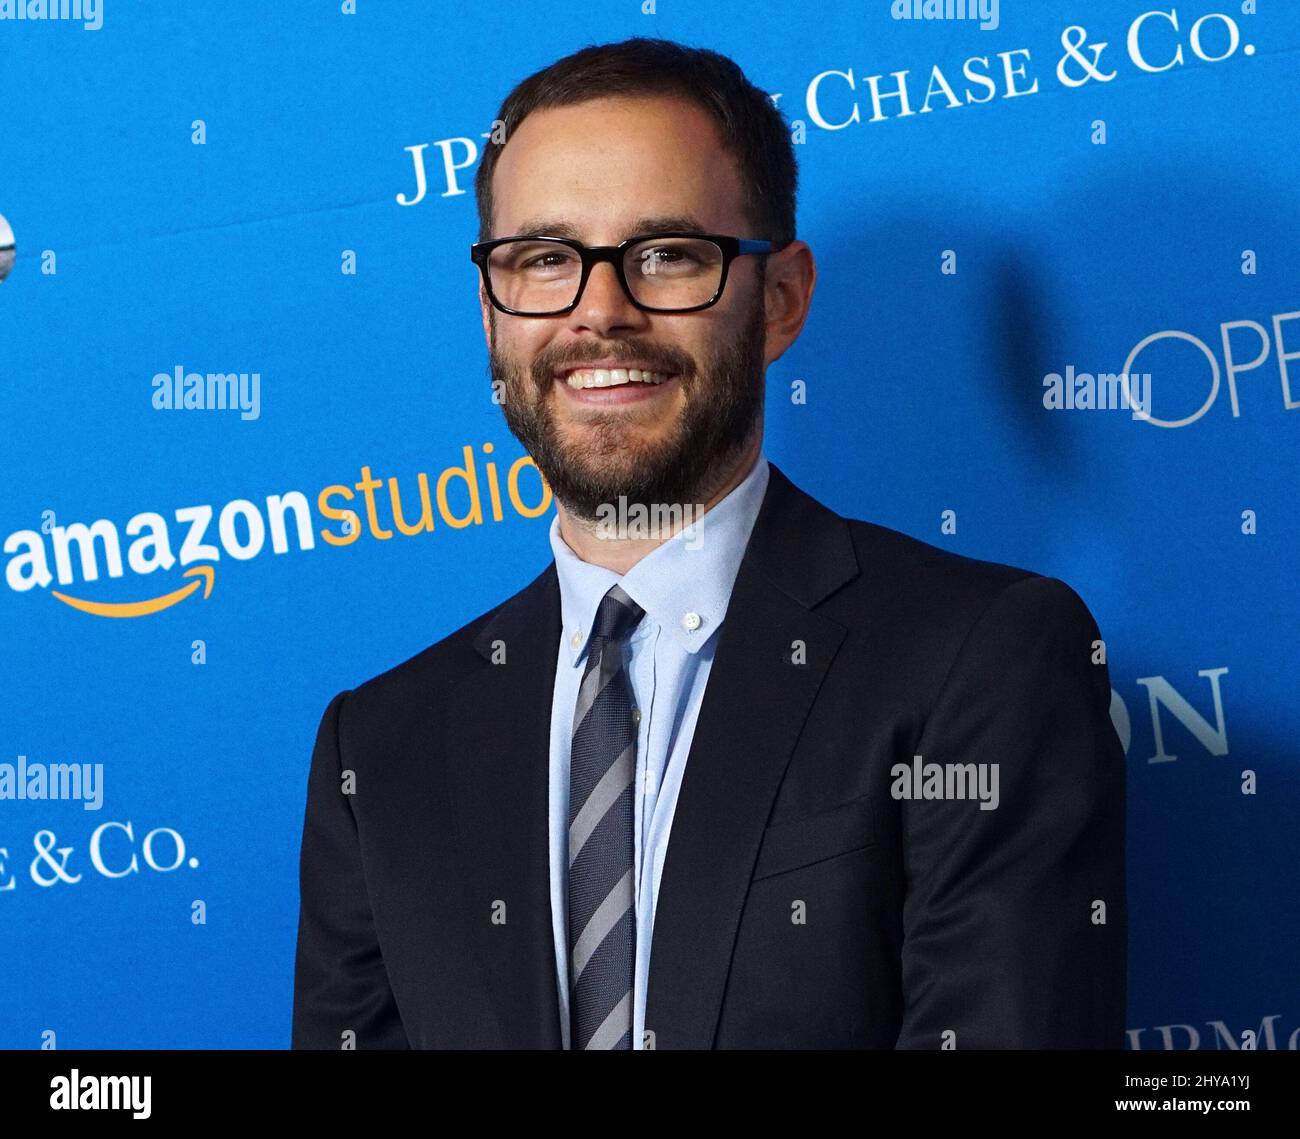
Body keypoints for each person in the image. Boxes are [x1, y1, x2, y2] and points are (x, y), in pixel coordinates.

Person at [291, 36, 1126, 1050]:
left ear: (779, 299)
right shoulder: (380, 748)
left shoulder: (979, 657)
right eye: (545, 260)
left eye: (668, 254)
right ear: (490, 313)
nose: (600, 311)